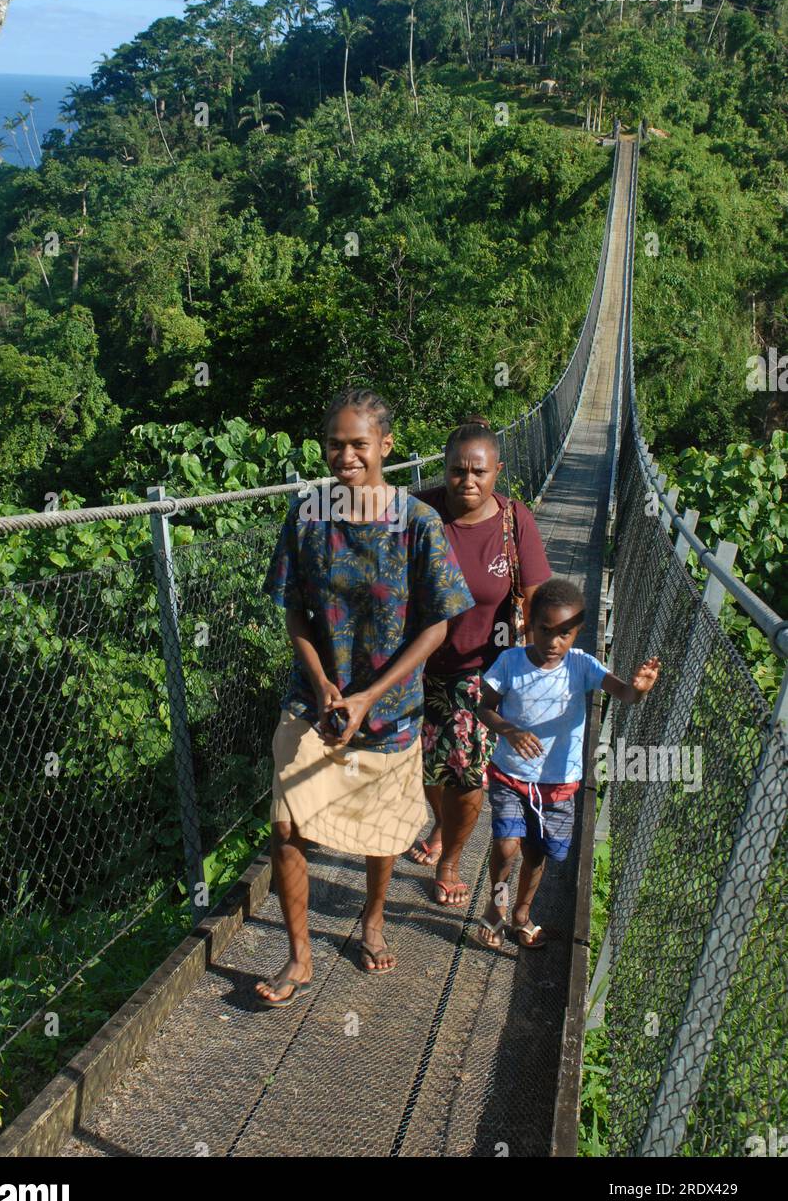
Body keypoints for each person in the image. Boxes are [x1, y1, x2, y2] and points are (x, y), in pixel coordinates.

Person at [255, 388, 475, 1006]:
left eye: (359, 443)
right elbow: (294, 611)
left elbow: (438, 621)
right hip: (314, 703)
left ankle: (373, 921)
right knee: (286, 825)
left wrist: (372, 694)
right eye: (335, 443)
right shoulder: (307, 516)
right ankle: (298, 958)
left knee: (382, 830)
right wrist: (324, 682)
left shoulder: (418, 522)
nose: (346, 456)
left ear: (385, 445)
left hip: (391, 707)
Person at [409, 417, 551, 906]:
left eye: (478, 472)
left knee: (466, 774)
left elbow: (535, 599)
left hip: (481, 669)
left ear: (497, 472)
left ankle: (449, 857)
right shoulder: (417, 511)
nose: (467, 482)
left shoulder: (514, 521)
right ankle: (441, 825)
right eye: (456, 471)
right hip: (415, 663)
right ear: (443, 469)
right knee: (424, 768)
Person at [474, 576, 660, 949]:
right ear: (529, 622)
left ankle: (522, 914)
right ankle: (496, 907)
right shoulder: (510, 663)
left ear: (578, 633)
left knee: (538, 853)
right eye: (545, 630)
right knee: (506, 845)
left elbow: (621, 691)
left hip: (559, 783)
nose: (554, 643)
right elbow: (484, 707)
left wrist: (637, 690)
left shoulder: (581, 666)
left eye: (565, 634)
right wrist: (508, 730)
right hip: (511, 775)